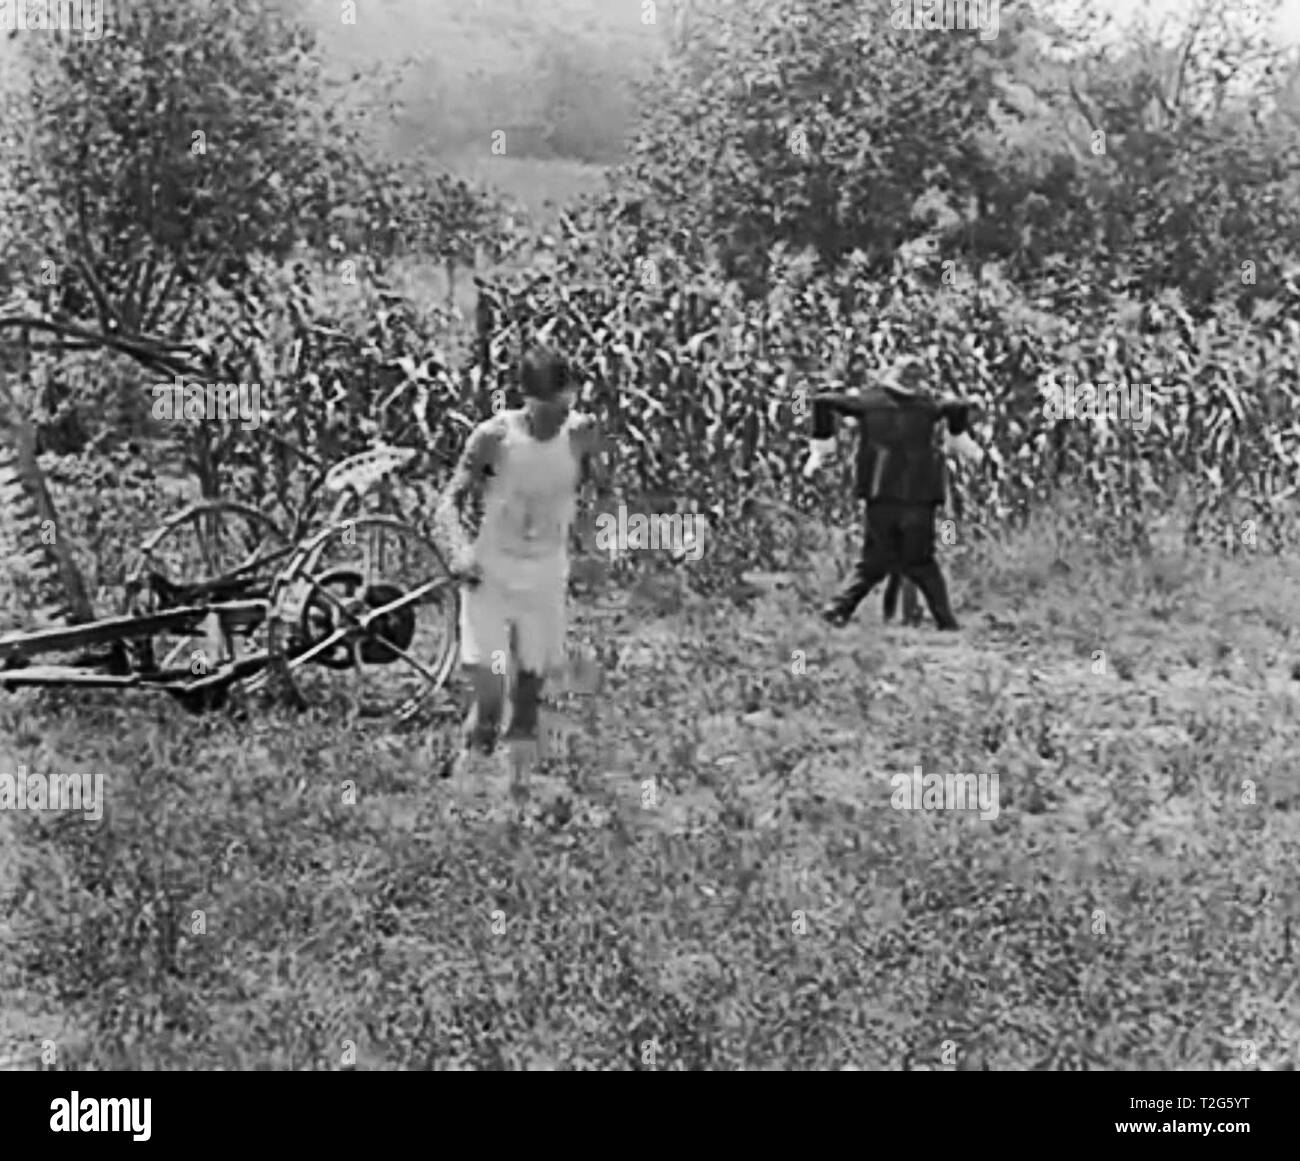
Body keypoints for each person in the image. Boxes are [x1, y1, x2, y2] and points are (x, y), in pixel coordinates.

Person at [433, 345, 608, 784]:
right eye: (545, 409)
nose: (554, 419)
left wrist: (593, 542)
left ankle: (518, 793)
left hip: (545, 576)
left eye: (561, 407)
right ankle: (466, 780)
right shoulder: (494, 437)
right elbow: (449, 502)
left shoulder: (581, 435)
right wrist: (459, 550)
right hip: (491, 576)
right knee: (490, 701)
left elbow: (599, 492)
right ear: (526, 399)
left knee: (528, 700)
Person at [803, 355, 982, 630]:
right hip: (919, 496)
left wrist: (822, 447)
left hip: (881, 492)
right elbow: (957, 406)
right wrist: (960, 439)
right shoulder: (926, 407)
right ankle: (945, 621)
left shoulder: (870, 402)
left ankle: (836, 610)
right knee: (921, 562)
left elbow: (822, 401)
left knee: (874, 561)